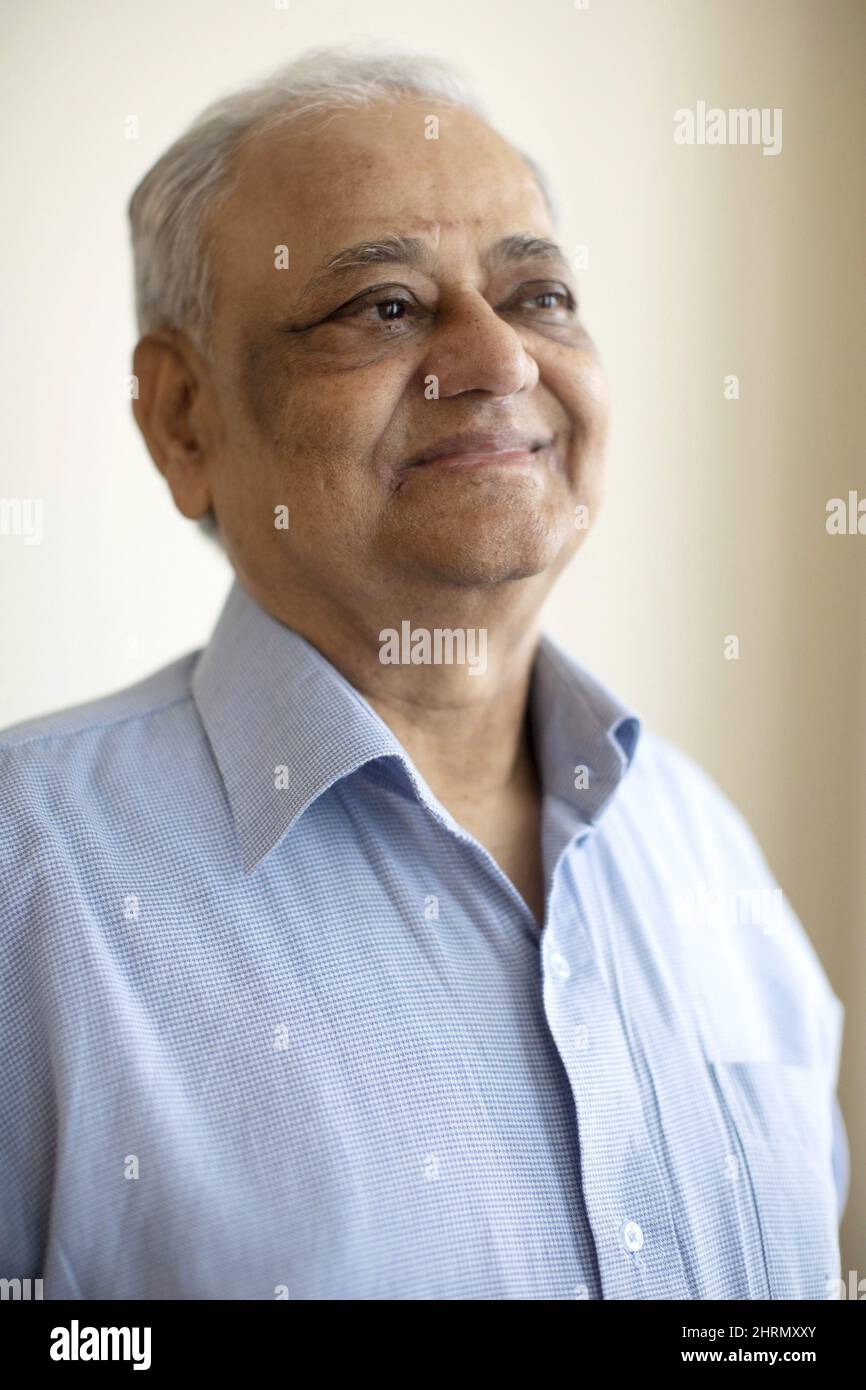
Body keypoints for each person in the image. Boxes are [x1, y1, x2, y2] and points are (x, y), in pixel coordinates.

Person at [0, 44, 846, 1300]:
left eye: (540, 295)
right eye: (383, 305)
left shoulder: (704, 852)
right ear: (185, 417)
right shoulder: (31, 884)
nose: (501, 361)